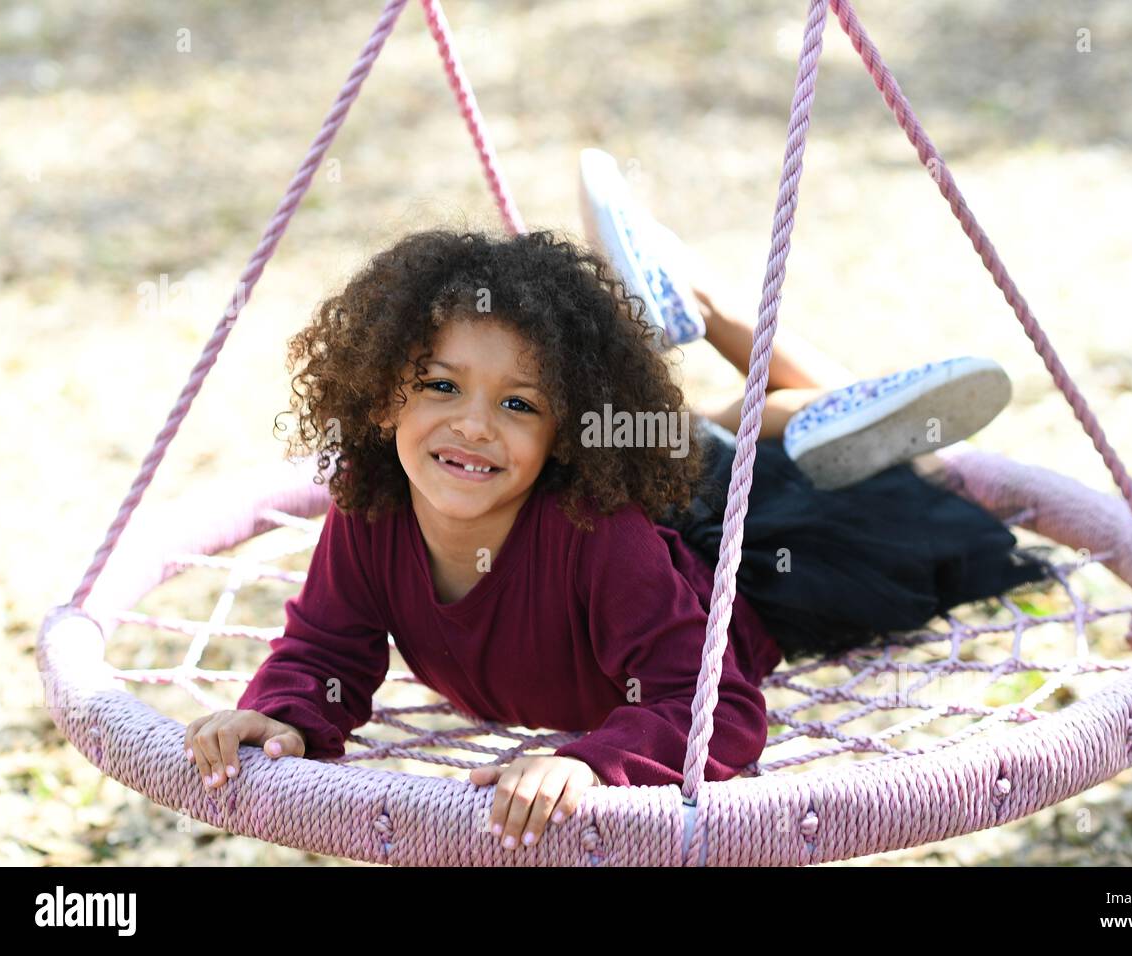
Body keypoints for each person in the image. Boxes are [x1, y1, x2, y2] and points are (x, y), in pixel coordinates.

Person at [182, 158, 1054, 855]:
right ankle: (713, 337)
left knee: (842, 475)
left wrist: (594, 764)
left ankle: (708, 313)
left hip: (748, 567)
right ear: (380, 398)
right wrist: (284, 715)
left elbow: (712, 702)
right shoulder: (371, 508)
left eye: (520, 403)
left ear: (566, 433)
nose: (474, 426)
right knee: (722, 442)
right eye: (439, 385)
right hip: (664, 493)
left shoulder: (598, 534)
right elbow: (325, 645)